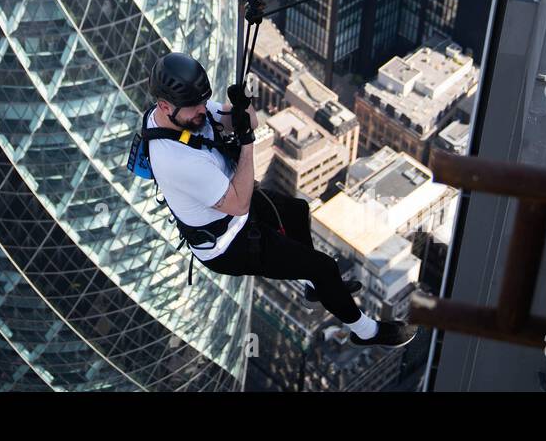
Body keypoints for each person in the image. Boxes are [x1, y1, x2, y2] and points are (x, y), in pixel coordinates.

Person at [144, 52, 416, 348]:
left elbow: (249, 121)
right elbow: (238, 203)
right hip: (228, 244)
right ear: (164, 106)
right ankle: (367, 332)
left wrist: (242, 106)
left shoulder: (187, 109)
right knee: (323, 267)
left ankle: (316, 288)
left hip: (230, 208)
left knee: (298, 210)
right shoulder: (176, 161)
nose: (201, 111)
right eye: (193, 108)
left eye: (202, 103)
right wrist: (248, 144)